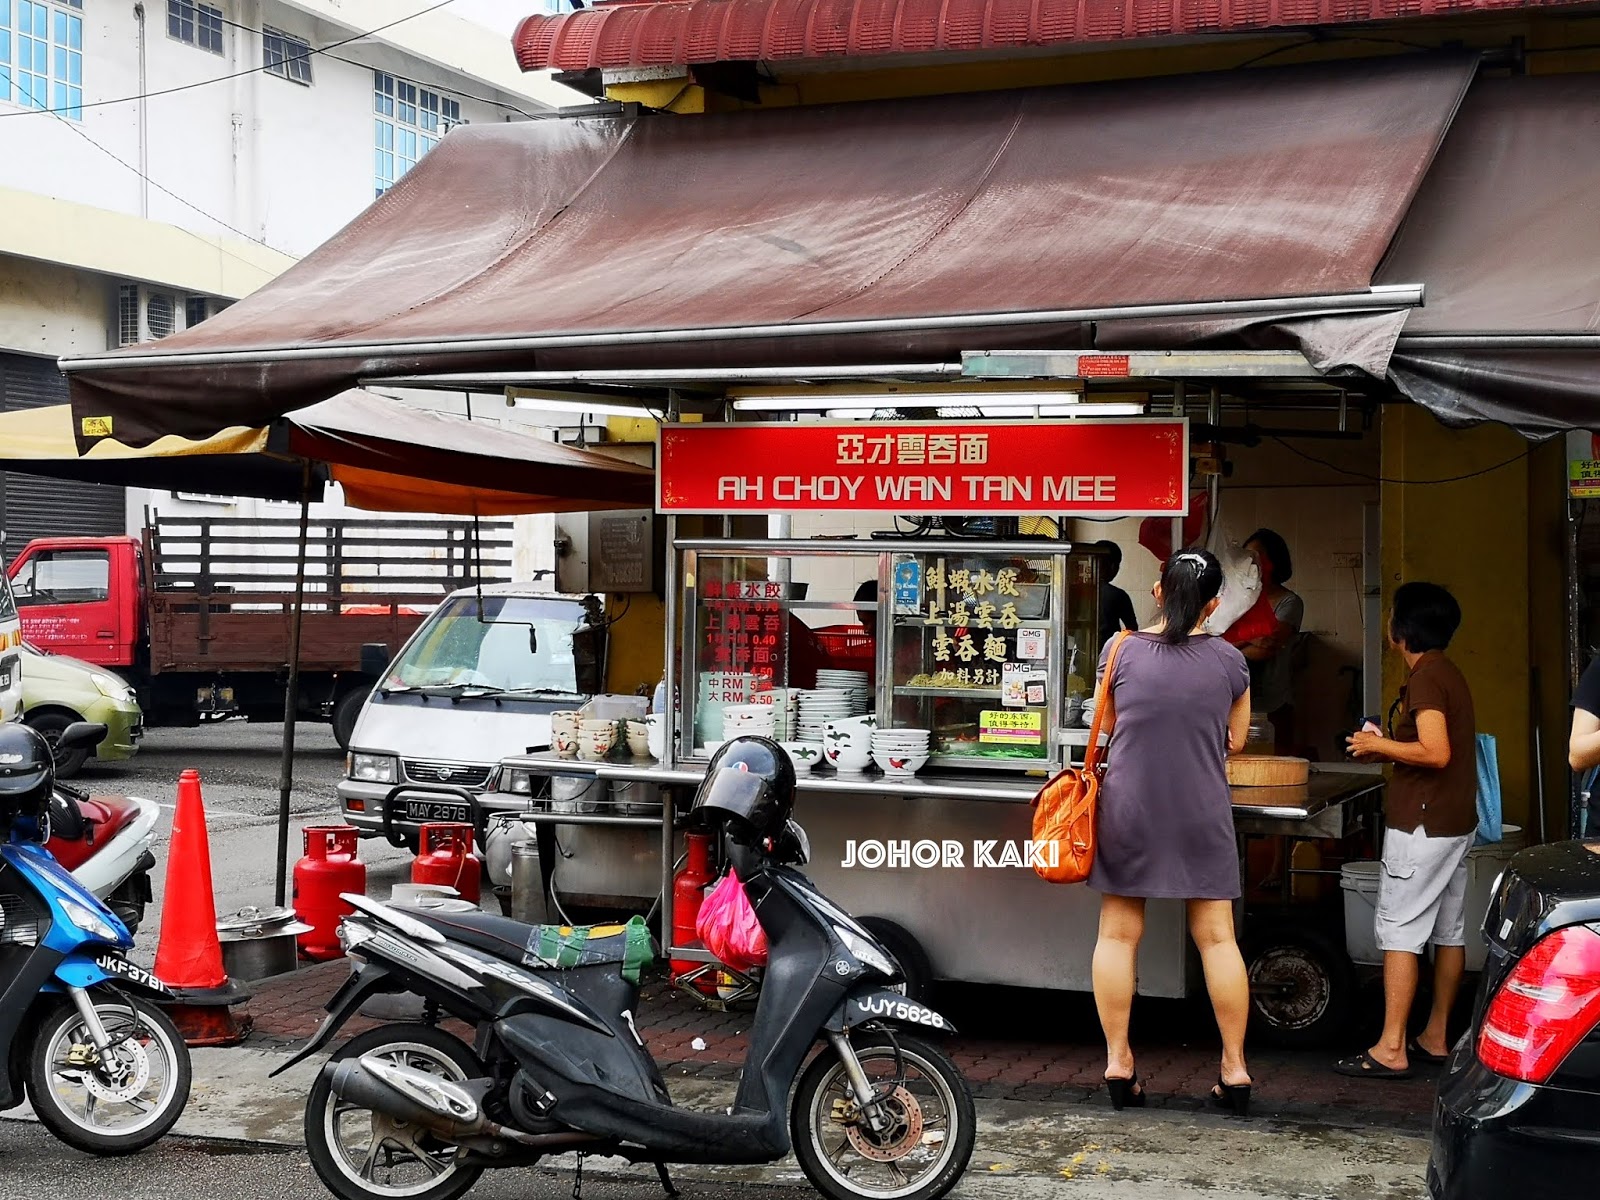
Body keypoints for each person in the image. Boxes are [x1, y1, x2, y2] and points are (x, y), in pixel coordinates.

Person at [1089, 549, 1254, 1115]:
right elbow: (1236, 741)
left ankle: (1118, 1061)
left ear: (1158, 592)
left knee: (1117, 935)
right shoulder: (1232, 661)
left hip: (1130, 807)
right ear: (1213, 604)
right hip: (1201, 809)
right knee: (1217, 938)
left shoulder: (1120, 649)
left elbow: (1105, 724)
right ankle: (1234, 1069)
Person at [1337, 582, 1475, 1080]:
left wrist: (1379, 749)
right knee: (1448, 931)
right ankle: (1435, 1035)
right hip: (1453, 821)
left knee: (1400, 934)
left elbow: (1436, 752)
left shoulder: (1426, 680)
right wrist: (1390, 740)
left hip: (1422, 824)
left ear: (1401, 631)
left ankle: (1391, 1047)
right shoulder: (1447, 672)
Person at [1239, 529, 1304, 752]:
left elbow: (1265, 648)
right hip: (1236, 701)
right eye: (1247, 557)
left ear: (1273, 561)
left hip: (1273, 704)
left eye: (1257, 557)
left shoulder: (1289, 602)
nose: (1251, 563)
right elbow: (1214, 641)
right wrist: (1246, 640)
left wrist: (1229, 642)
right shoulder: (1237, 600)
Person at [1094, 540, 1139, 653]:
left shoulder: (1076, 591)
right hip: (1111, 655)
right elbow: (1132, 630)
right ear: (1113, 566)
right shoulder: (1118, 595)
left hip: (1081, 655)